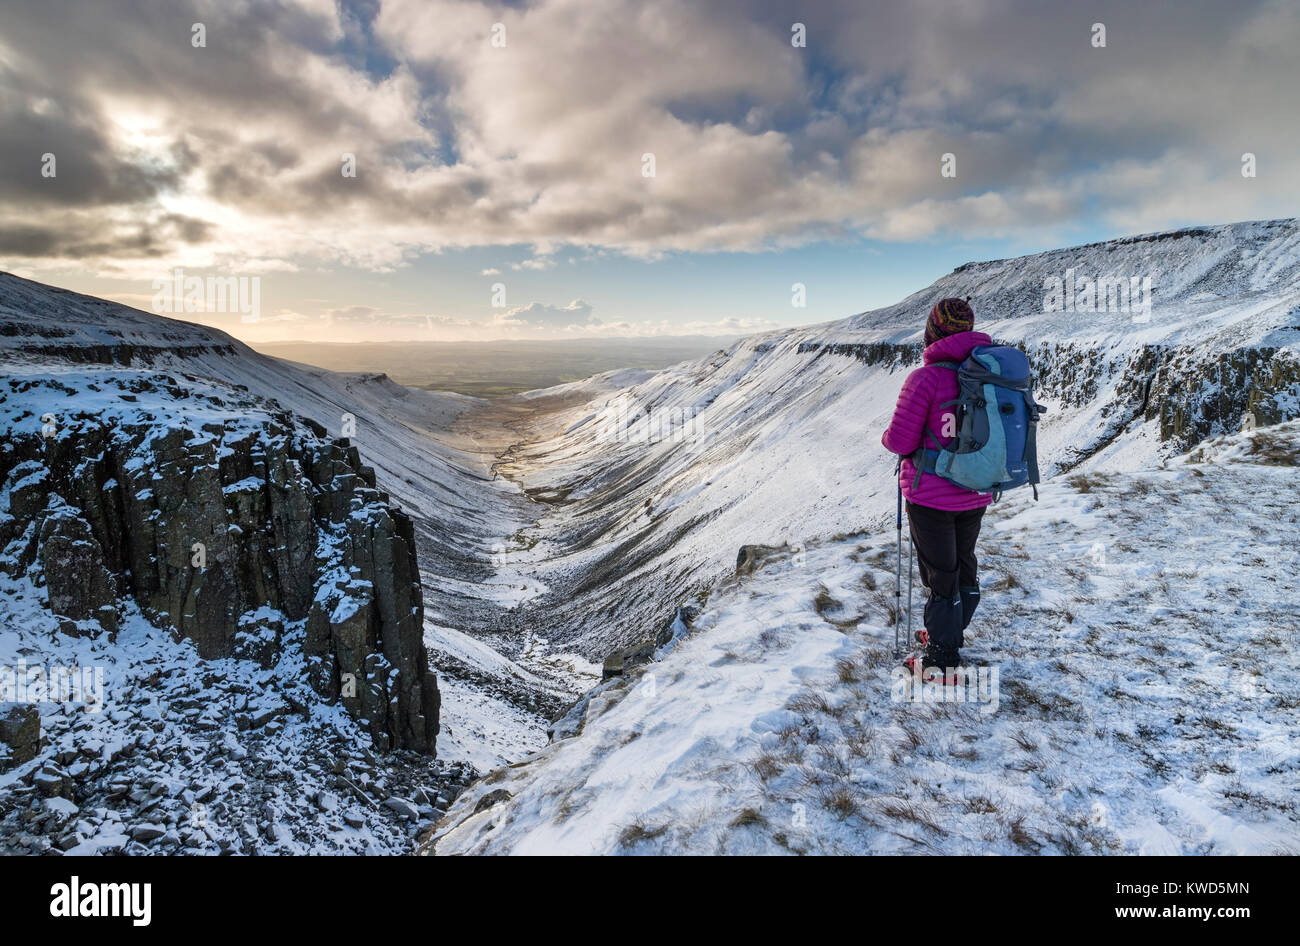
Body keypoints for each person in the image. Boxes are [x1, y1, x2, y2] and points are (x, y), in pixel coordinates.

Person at [882, 297, 992, 677]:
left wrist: (886, 437)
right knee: (963, 566)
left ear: (933, 333)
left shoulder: (925, 379)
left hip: (931, 497)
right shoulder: (987, 376)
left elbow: (900, 441)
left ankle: (942, 661)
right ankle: (950, 633)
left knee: (940, 575)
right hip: (976, 490)